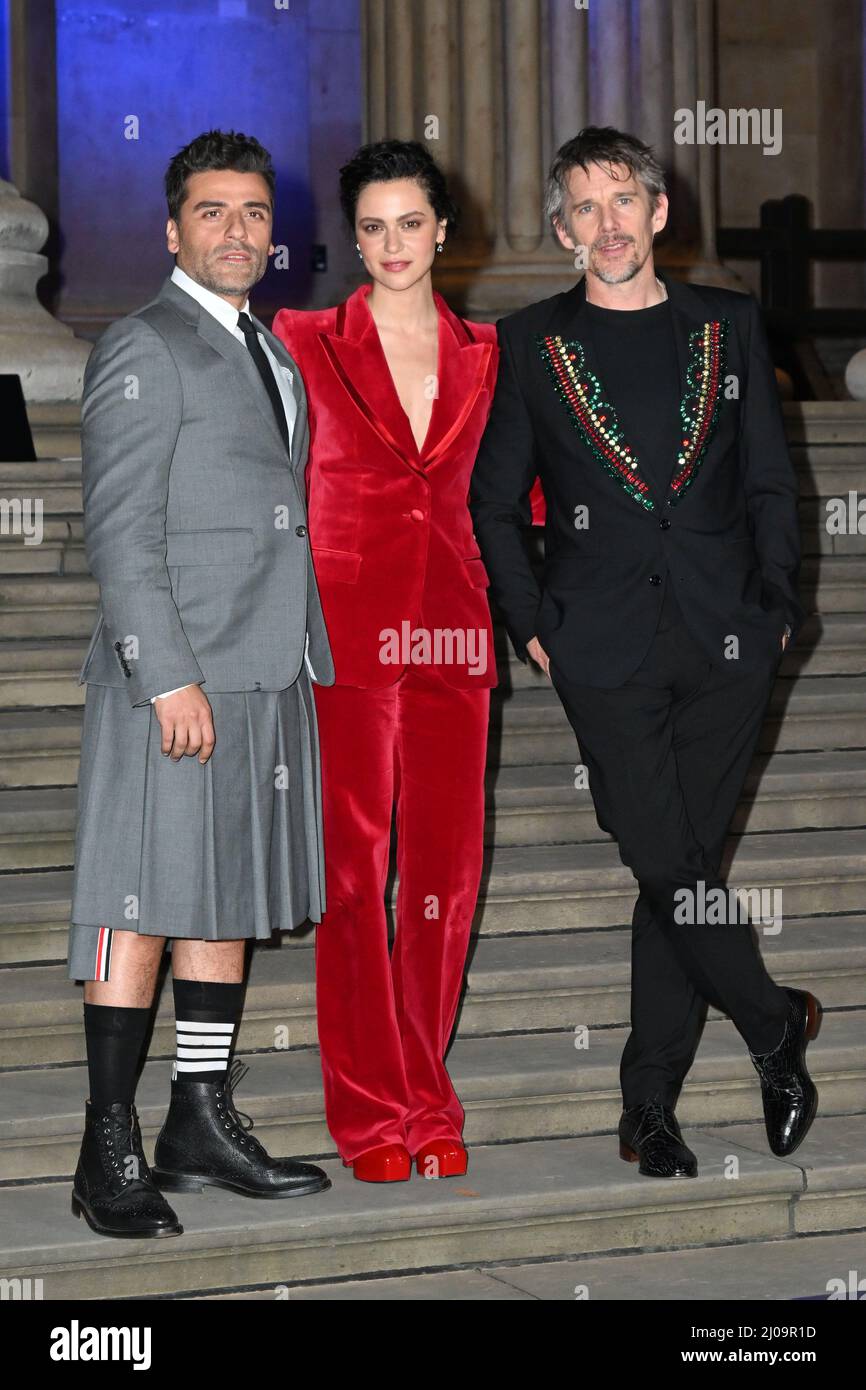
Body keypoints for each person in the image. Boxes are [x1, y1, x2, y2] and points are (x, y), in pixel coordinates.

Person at [470, 125, 821, 1180]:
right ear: (562, 229)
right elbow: (490, 502)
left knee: (680, 875)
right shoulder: (532, 342)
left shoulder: (727, 324)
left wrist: (775, 606)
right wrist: (529, 619)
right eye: (582, 207)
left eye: (621, 200)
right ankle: (772, 1025)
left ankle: (647, 1111)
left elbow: (768, 478)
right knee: (662, 858)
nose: (605, 224)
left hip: (727, 637)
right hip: (600, 642)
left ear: (657, 212)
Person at [67, 129, 334, 1237]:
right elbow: (119, 534)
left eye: (256, 213)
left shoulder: (267, 350)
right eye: (214, 211)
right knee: (142, 903)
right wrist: (165, 677)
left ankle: (199, 1117)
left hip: (263, 671)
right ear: (172, 229)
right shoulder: (144, 344)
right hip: (174, 682)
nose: (238, 231)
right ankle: (104, 1147)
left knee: (222, 901)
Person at [272, 140, 500, 1182]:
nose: (391, 245)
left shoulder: (491, 355)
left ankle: (425, 1092)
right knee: (356, 876)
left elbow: (522, 499)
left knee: (443, 878)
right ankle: (369, 1110)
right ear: (350, 236)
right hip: (344, 635)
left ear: (443, 230)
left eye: (410, 223)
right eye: (371, 227)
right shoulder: (302, 338)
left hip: (453, 635)